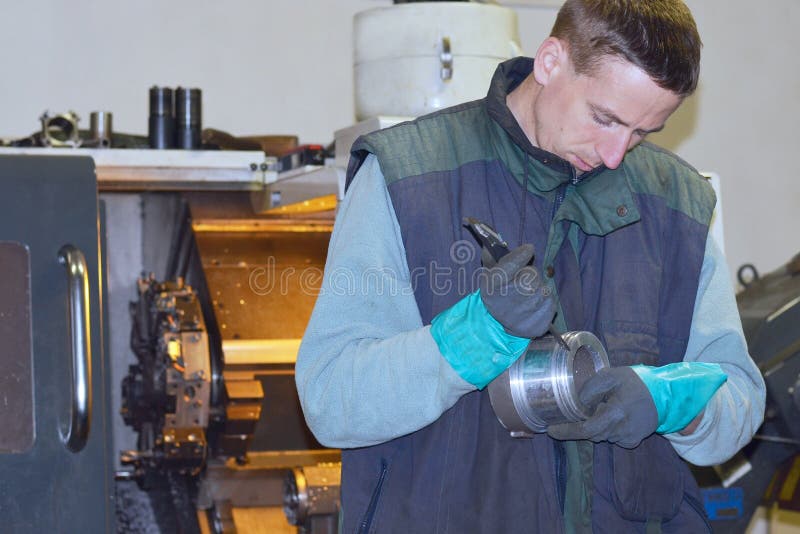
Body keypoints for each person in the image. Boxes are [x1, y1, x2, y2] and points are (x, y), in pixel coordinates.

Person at [296, 0, 766, 531]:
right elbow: (330, 398)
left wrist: (674, 403)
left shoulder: (676, 204)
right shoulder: (408, 179)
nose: (616, 154)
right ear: (550, 61)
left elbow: (741, 398)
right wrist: (471, 338)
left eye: (642, 133)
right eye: (604, 118)